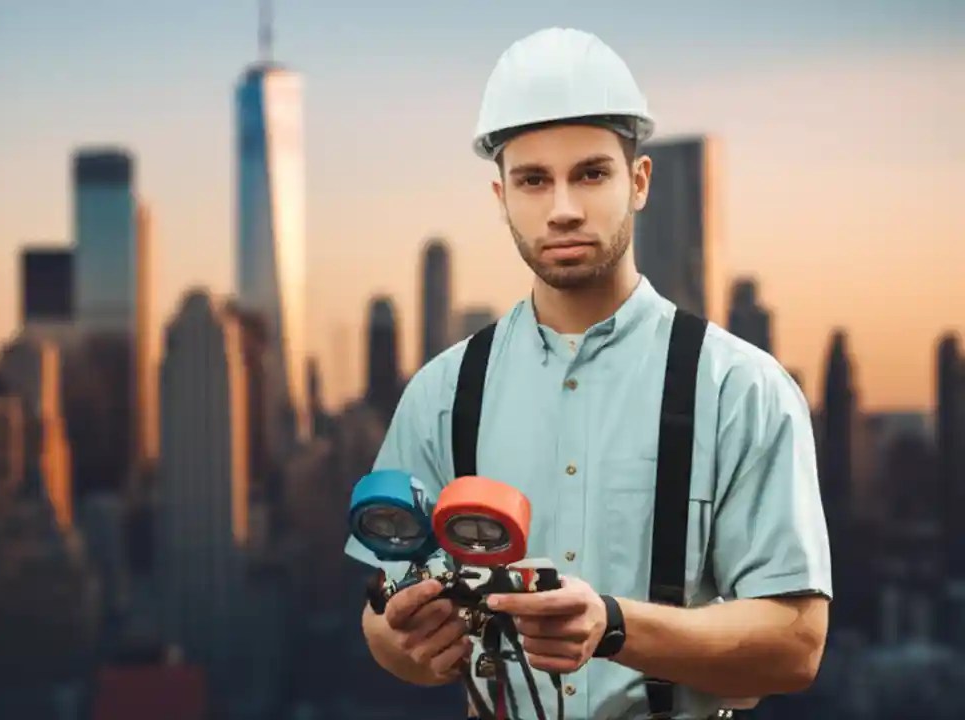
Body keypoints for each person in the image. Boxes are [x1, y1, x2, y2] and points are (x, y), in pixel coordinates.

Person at [343, 26, 832, 720]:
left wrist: (614, 625)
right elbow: (383, 620)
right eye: (534, 180)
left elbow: (796, 645)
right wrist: (408, 639)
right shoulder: (444, 392)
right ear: (500, 195)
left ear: (639, 181)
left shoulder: (739, 389)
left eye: (591, 173)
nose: (563, 207)